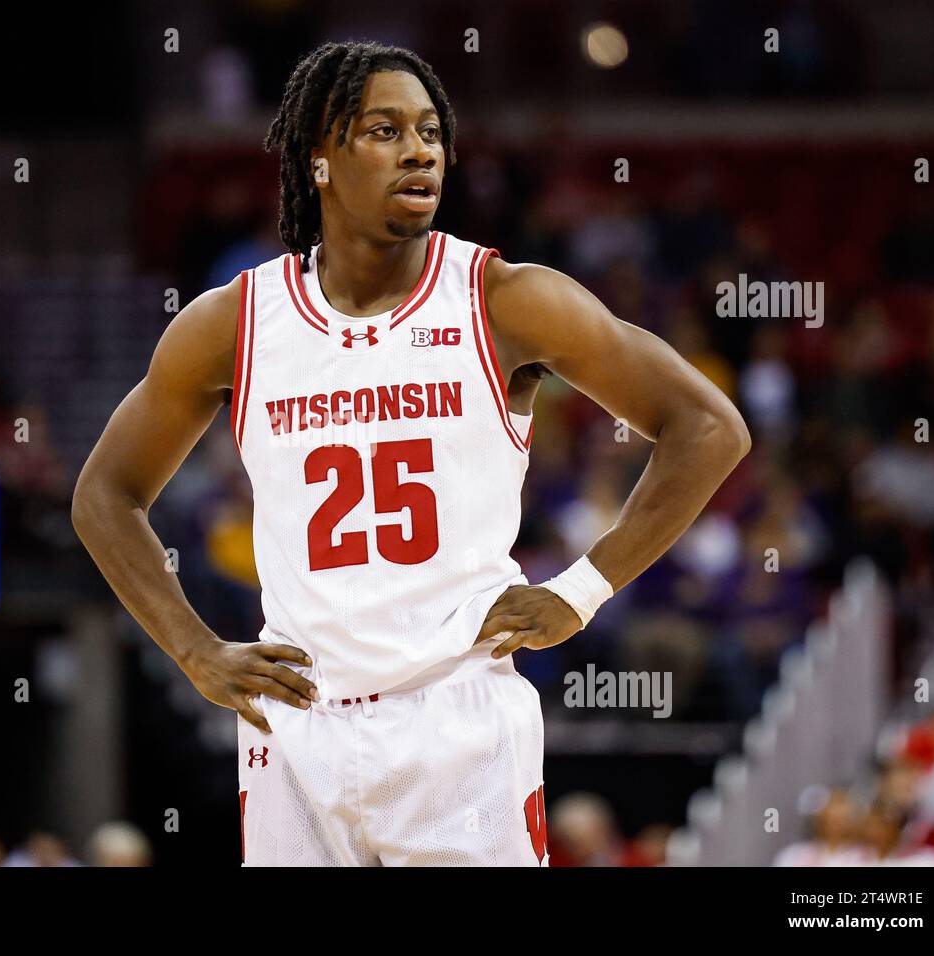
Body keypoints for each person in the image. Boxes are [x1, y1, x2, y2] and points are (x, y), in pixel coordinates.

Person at [72, 40, 749, 866]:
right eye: (385, 131)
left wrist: (581, 587)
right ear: (318, 157)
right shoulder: (235, 325)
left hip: (456, 724)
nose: (421, 149)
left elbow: (709, 426)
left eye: (430, 131)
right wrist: (192, 649)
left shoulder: (506, 300)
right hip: (298, 732)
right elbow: (105, 494)